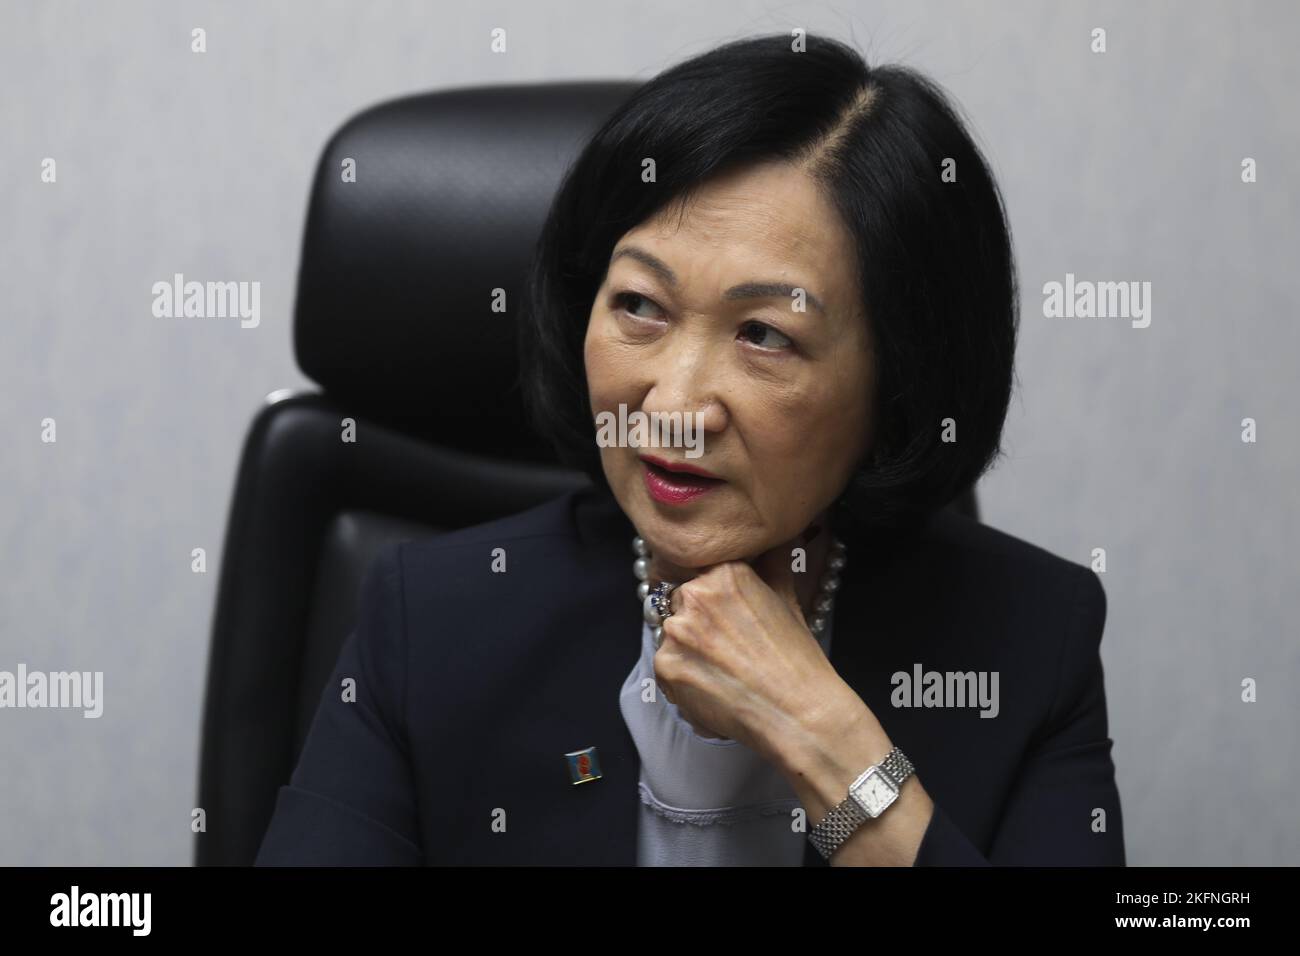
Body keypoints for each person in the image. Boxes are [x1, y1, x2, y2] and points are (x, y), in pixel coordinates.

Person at [255, 32, 1124, 866]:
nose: (672, 407)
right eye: (639, 305)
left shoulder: (1029, 641)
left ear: (899, 385)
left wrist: (826, 743)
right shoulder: (430, 623)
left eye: (764, 334)